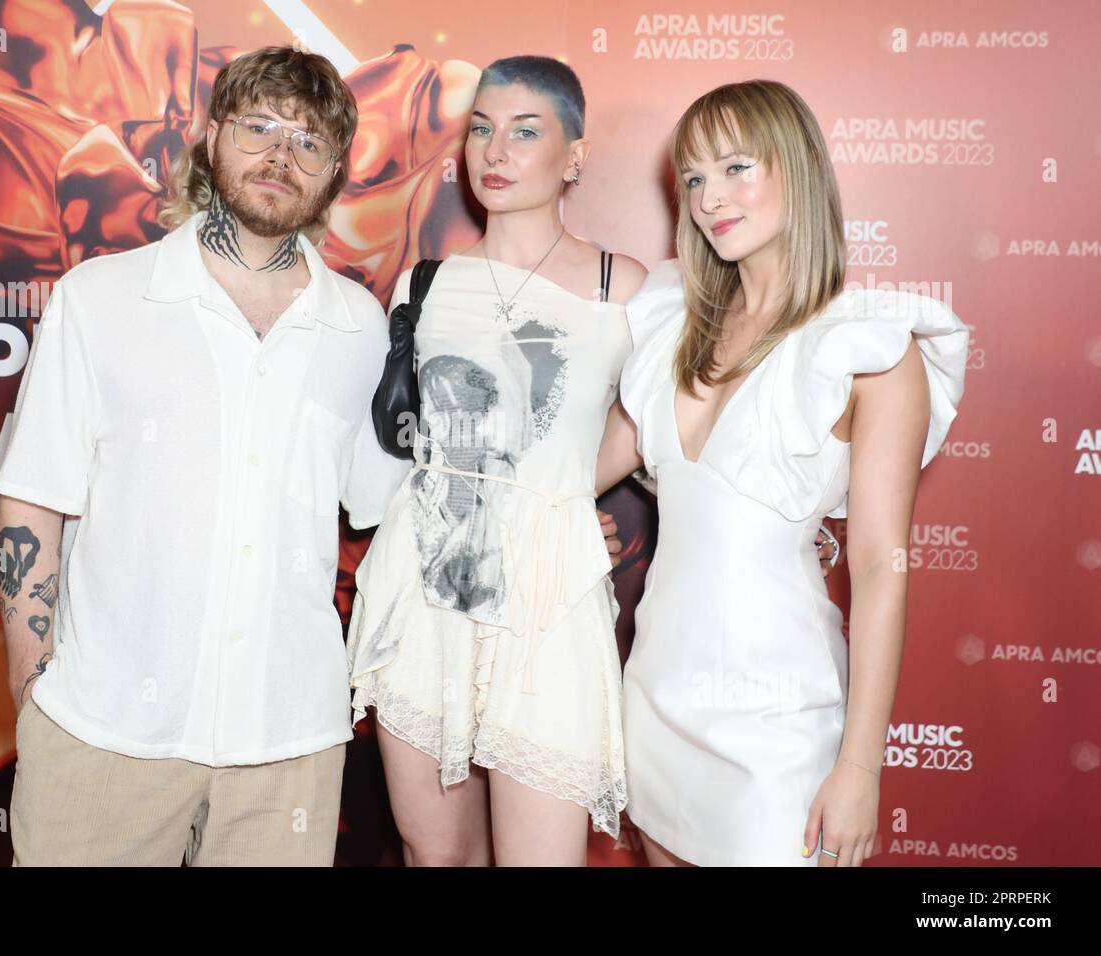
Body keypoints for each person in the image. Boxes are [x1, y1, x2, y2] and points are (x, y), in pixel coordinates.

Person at [346, 58, 838, 866]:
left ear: (575, 155)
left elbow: (659, 424)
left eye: (525, 130)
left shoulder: (631, 290)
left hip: (548, 603)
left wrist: (562, 504)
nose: (494, 151)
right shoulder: (425, 283)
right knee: (432, 852)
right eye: (481, 129)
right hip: (425, 588)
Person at [0, 46, 410, 865]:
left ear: (333, 175)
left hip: (288, 744)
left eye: (309, 142)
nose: (280, 155)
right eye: (258, 127)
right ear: (211, 137)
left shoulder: (362, 328)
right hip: (103, 732)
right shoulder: (100, 299)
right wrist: (33, 685)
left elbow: (388, 511)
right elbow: (34, 497)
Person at [597, 79, 969, 867]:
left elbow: (877, 568)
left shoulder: (868, 347)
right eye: (694, 178)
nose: (709, 198)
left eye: (736, 168)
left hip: (779, 718)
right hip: (656, 693)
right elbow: (573, 474)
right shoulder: (672, 322)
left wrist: (859, 769)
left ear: (796, 168)